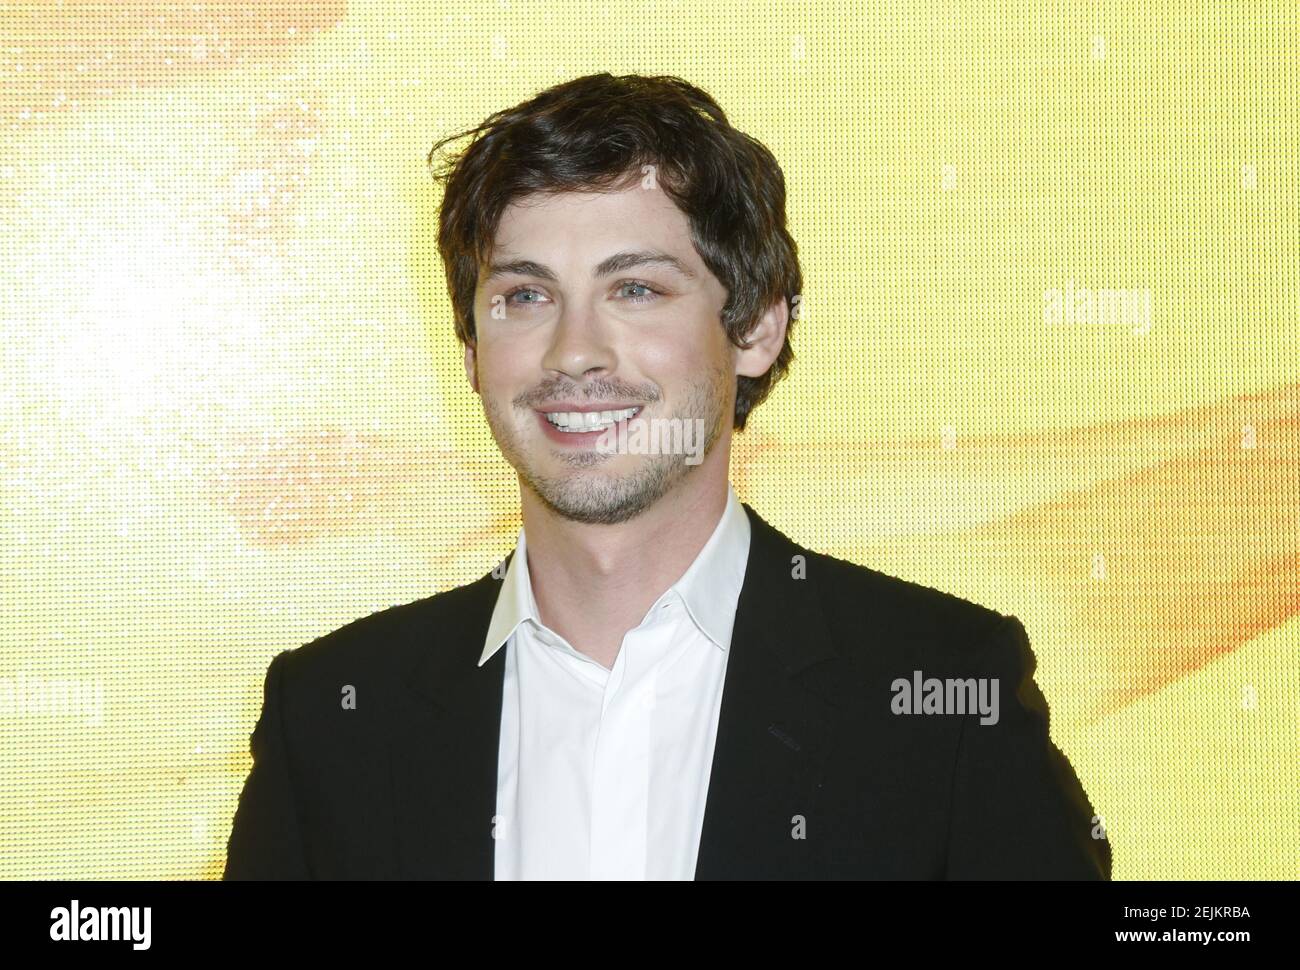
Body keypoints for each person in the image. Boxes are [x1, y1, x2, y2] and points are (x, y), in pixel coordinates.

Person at [224, 72, 1110, 880]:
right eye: (525, 296)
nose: (574, 352)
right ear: (472, 349)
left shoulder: (945, 693)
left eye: (636, 289)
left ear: (757, 327)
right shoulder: (333, 717)